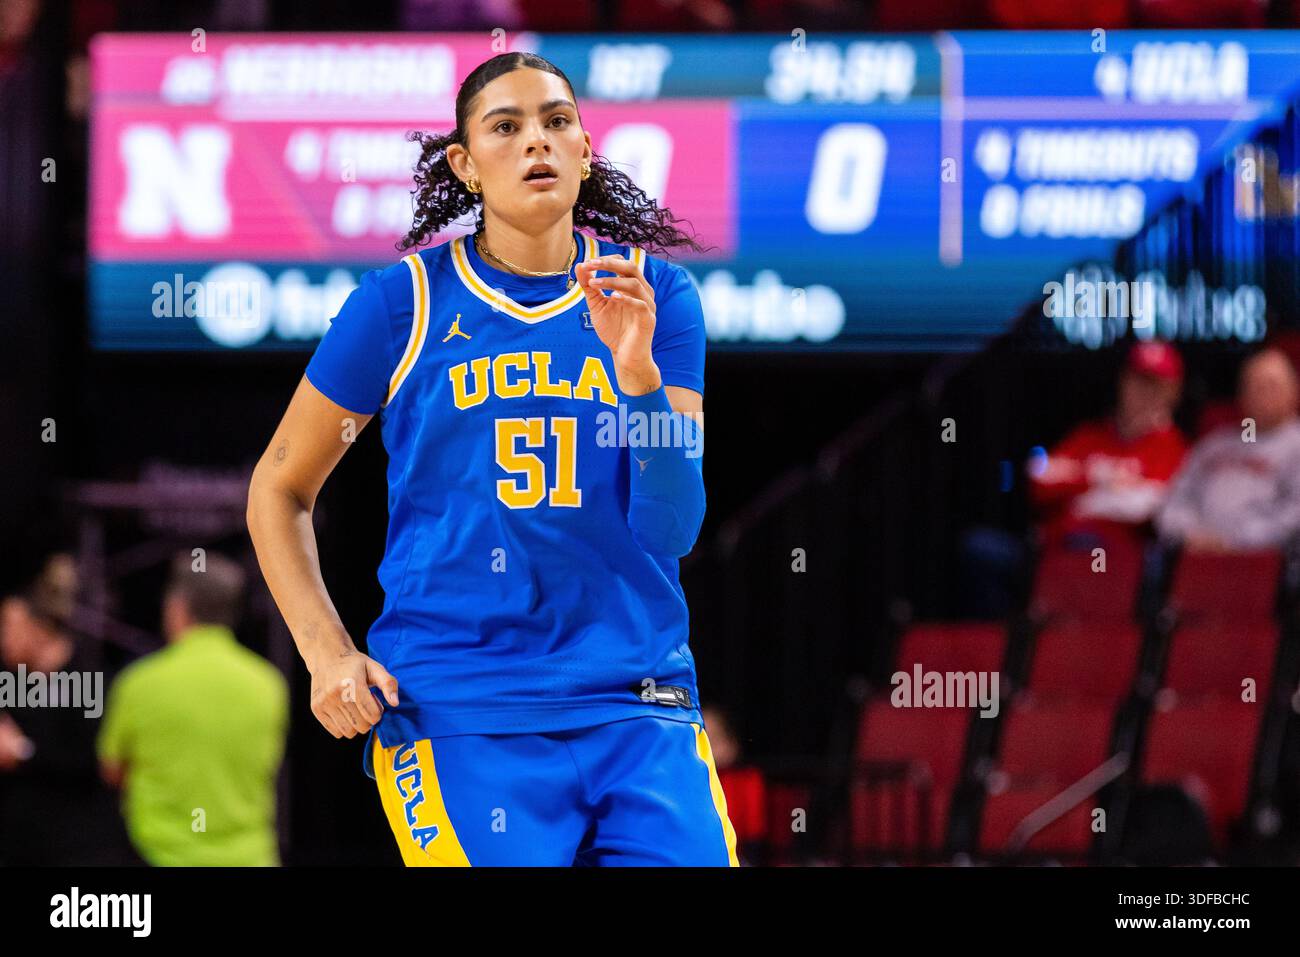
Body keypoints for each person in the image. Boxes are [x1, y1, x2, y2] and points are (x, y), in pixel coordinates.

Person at [246, 52, 736, 866]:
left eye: (555, 121)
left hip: (637, 703)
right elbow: (280, 487)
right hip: (459, 710)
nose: (534, 141)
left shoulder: (658, 298)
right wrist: (326, 651)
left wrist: (642, 380)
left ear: (584, 150)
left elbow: (673, 523)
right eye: (505, 127)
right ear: (466, 166)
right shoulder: (402, 305)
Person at [97, 553, 288, 866]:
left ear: (177, 609)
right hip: (251, 857)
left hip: (158, 855)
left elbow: (113, 769)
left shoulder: (140, 682)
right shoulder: (269, 684)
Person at [0, 551, 132, 865]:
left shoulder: (93, 680)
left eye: (8, 626)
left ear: (37, 627)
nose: (4, 639)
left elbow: (101, 763)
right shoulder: (11, 682)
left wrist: (22, 751)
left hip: (78, 852)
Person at [1029, 340, 1187, 548]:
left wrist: (1083, 498)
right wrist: (1095, 476)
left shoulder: (1176, 449)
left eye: (1154, 385)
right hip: (1054, 545)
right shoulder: (1089, 435)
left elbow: (1148, 508)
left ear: (1173, 392)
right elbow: (1038, 477)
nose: (1144, 392)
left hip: (1118, 559)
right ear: (1123, 381)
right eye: (1138, 380)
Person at [1156, 347, 1300, 552]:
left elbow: (1294, 516)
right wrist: (1189, 532)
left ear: (1294, 392)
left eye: (1271, 386)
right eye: (1253, 386)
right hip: (1196, 555)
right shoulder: (1214, 444)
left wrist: (1234, 541)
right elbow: (1174, 501)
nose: (1262, 394)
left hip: (1264, 562)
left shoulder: (1296, 446)